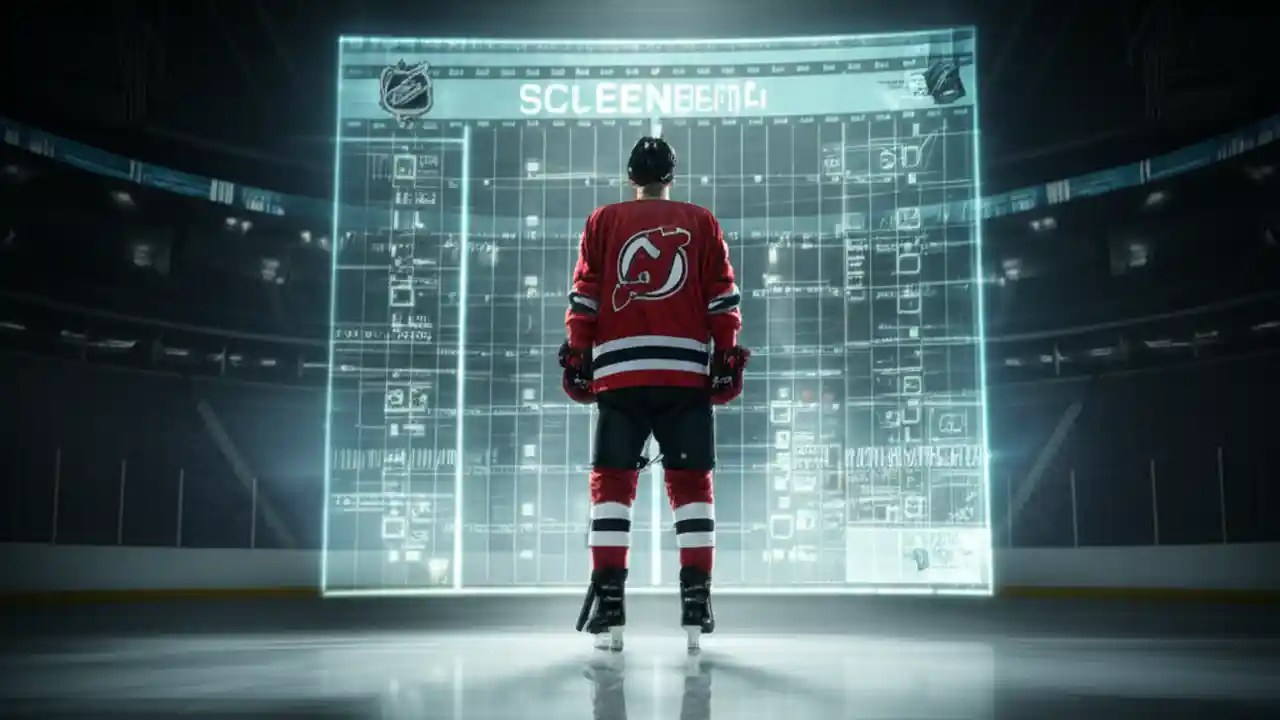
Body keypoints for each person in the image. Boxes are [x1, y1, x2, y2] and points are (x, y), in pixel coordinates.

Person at [560, 136, 749, 651]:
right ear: (672, 176)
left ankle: (609, 608)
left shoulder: (602, 221)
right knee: (692, 487)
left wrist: (578, 353)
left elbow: (586, 295)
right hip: (684, 375)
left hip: (619, 375)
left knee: (612, 485)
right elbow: (722, 297)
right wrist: (725, 355)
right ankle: (696, 605)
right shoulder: (702, 221)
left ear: (630, 176)